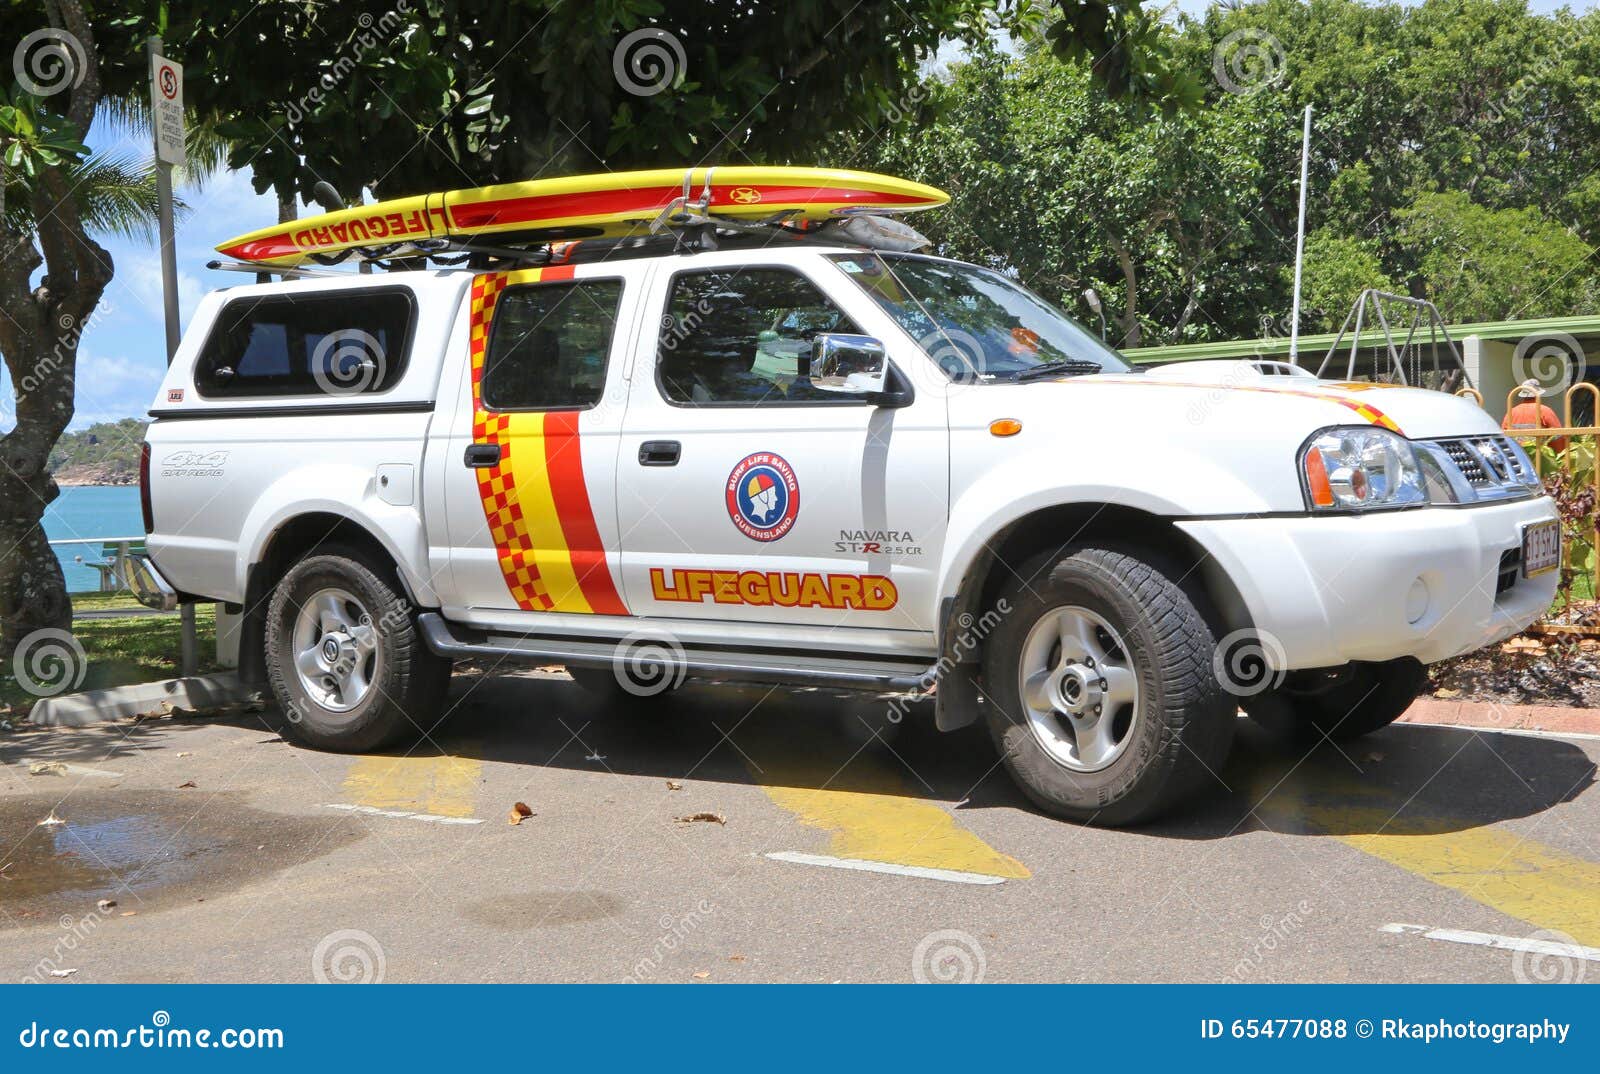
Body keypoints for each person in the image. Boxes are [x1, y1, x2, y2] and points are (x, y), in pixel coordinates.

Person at [1502, 379, 1566, 454]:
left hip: (1518, 456)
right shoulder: (1545, 411)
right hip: (1540, 458)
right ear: (1538, 394)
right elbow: (1557, 437)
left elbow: (1504, 436)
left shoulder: (1511, 412)